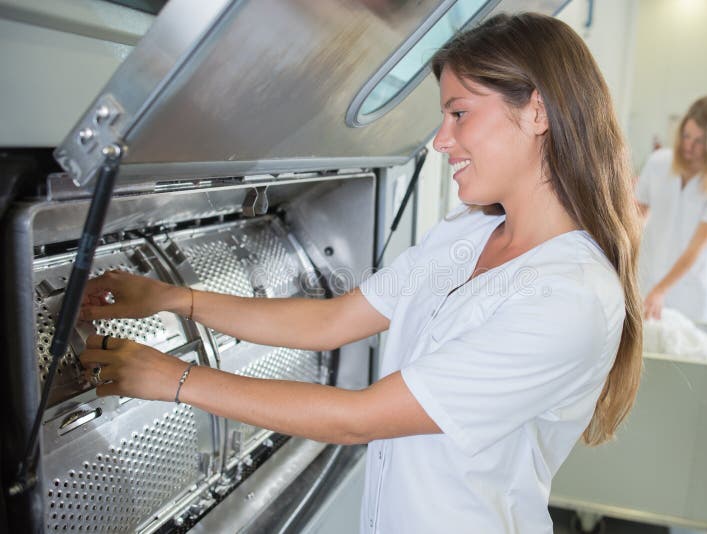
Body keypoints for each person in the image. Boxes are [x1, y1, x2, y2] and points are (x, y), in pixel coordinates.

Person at [78, 13, 642, 534]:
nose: (442, 140)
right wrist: (170, 298)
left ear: (537, 111)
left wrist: (175, 381)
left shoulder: (570, 296)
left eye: (459, 113)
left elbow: (359, 418)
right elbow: (331, 320)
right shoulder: (467, 234)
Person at [637, 96, 707, 322]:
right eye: (686, 136)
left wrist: (661, 290)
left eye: (700, 141)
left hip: (689, 291)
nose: (689, 146)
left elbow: (698, 245)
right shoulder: (658, 162)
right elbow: (635, 216)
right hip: (646, 277)